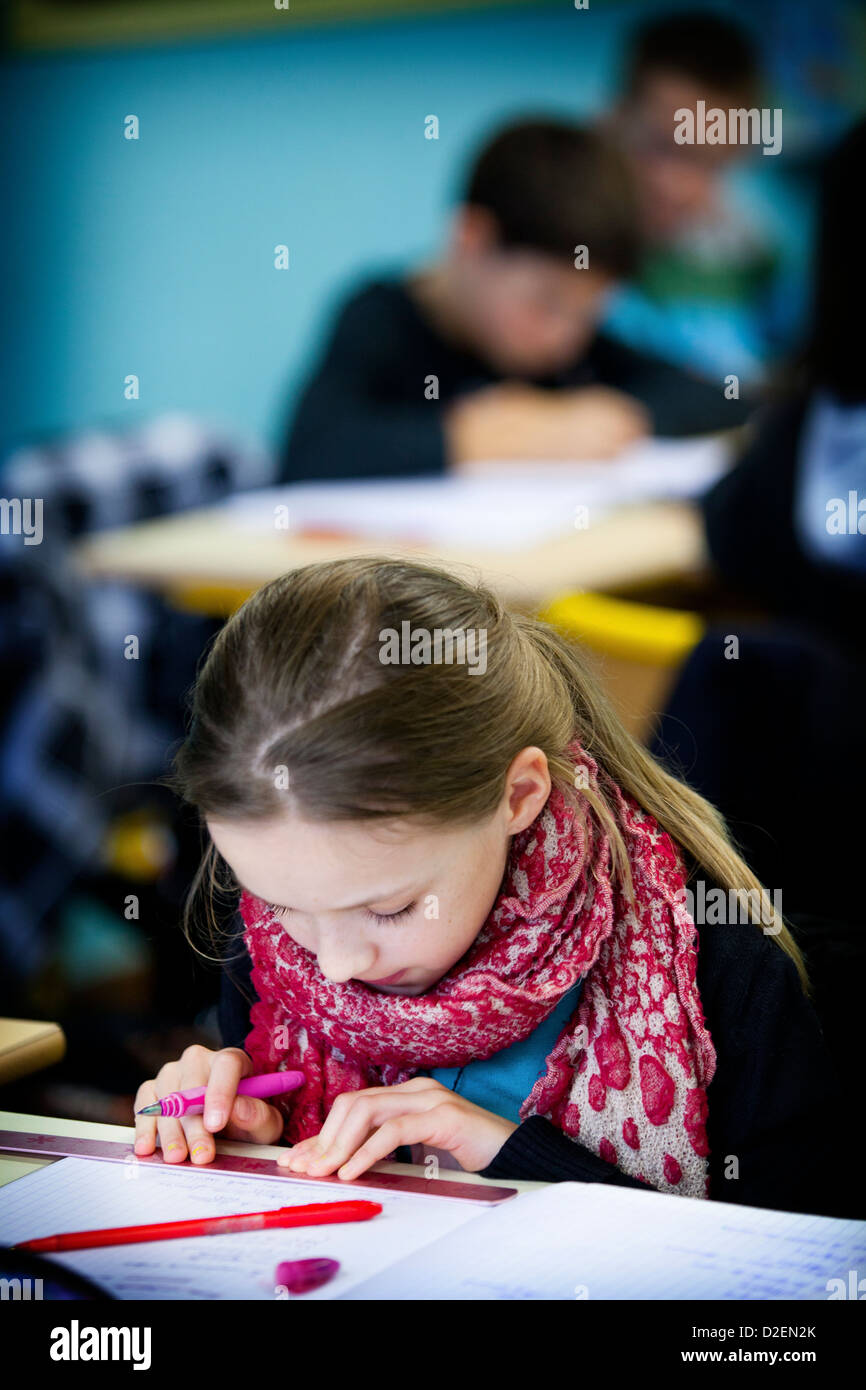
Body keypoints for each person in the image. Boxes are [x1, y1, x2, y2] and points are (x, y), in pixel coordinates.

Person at [134, 557, 855, 1218]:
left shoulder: (715, 964)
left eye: (390, 908)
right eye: (282, 905)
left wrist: (507, 1155)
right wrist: (239, 1142)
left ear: (518, 797)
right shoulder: (271, 957)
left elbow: (792, 1257)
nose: (334, 964)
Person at [278, 119, 750, 484]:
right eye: (547, 304)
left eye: (590, 312)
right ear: (473, 241)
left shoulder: (570, 344)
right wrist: (476, 436)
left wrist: (619, 414)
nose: (567, 336)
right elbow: (311, 450)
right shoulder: (380, 317)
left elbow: (720, 398)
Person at [604, 11, 806, 386]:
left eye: (705, 163)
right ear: (612, 121)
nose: (674, 184)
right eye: (660, 148)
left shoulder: (759, 258)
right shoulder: (565, 244)